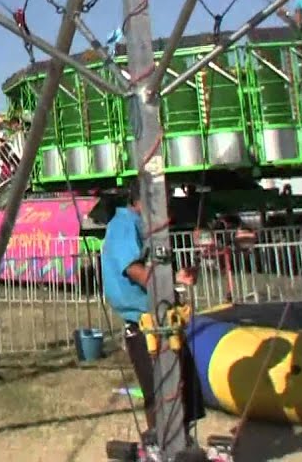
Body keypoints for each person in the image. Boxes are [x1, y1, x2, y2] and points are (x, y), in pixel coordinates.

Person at [101, 186, 205, 442]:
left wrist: (176, 278)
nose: (167, 209)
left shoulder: (142, 227)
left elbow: (152, 271)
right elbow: (134, 269)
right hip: (144, 325)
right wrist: (164, 286)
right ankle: (160, 444)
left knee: (182, 389)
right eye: (163, 202)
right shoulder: (124, 224)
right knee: (157, 393)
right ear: (143, 201)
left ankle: (182, 442)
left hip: (163, 320)